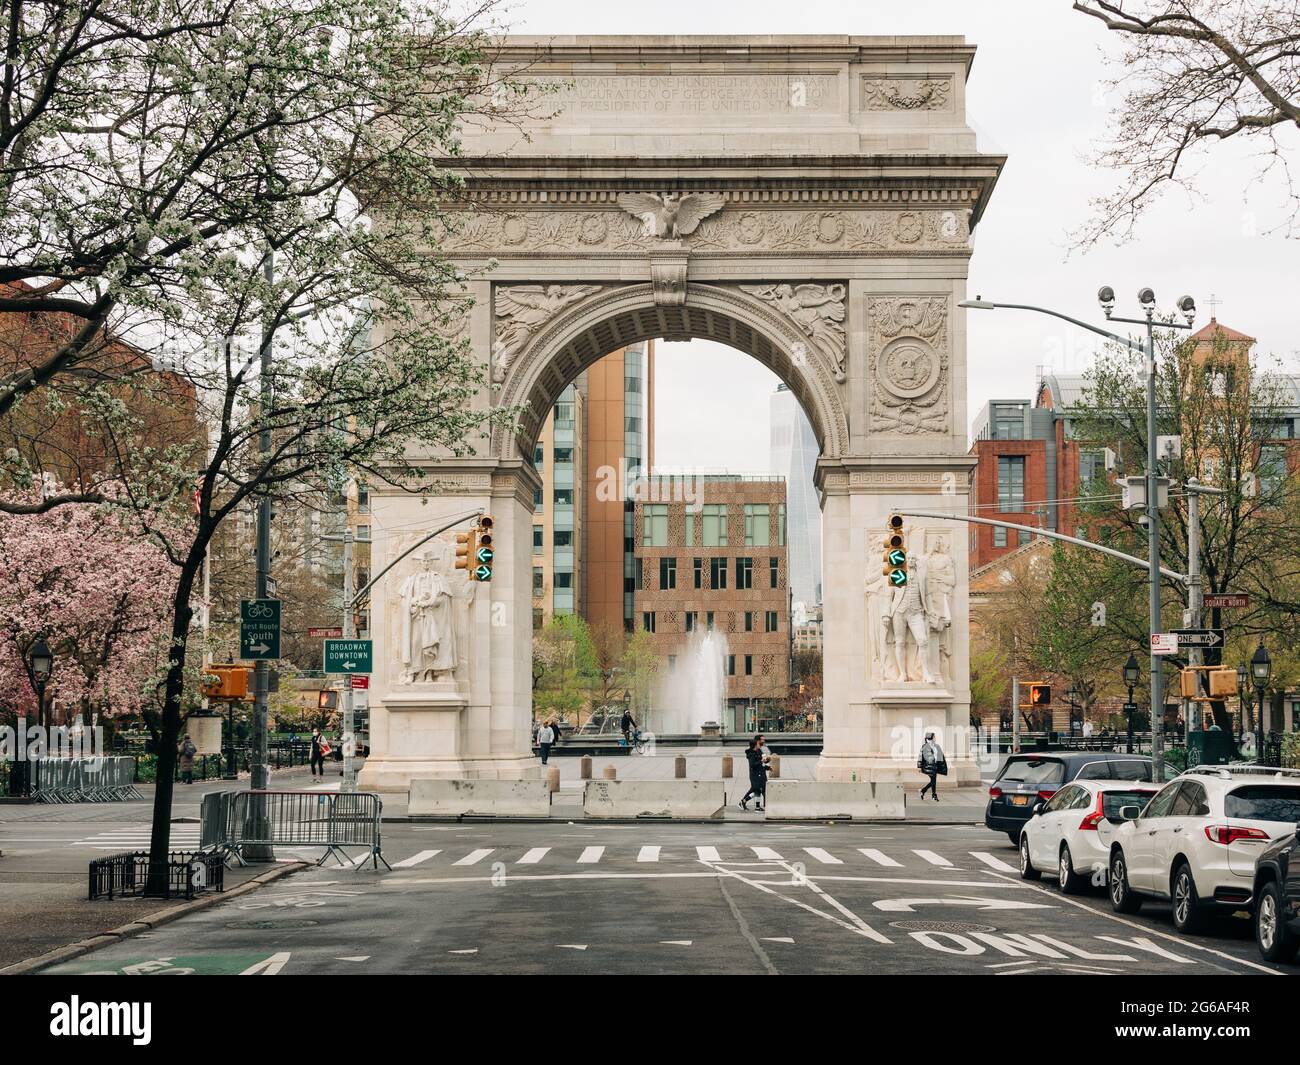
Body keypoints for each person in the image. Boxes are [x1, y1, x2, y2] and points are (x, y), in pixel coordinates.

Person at [739, 735, 769, 812]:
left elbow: (761, 761)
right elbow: (753, 764)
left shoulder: (758, 751)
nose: (764, 741)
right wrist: (762, 761)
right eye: (762, 740)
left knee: (758, 790)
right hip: (756, 775)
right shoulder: (752, 753)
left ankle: (757, 807)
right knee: (757, 790)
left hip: (760, 773)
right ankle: (743, 801)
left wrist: (767, 766)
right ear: (757, 743)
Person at [917, 731, 945, 801]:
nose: (935, 738)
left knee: (933, 781)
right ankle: (933, 796)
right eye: (934, 737)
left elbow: (940, 757)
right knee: (933, 780)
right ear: (931, 738)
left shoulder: (936, 746)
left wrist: (941, 765)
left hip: (935, 766)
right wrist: (919, 766)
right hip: (928, 766)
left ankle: (923, 791)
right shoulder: (925, 746)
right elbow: (920, 757)